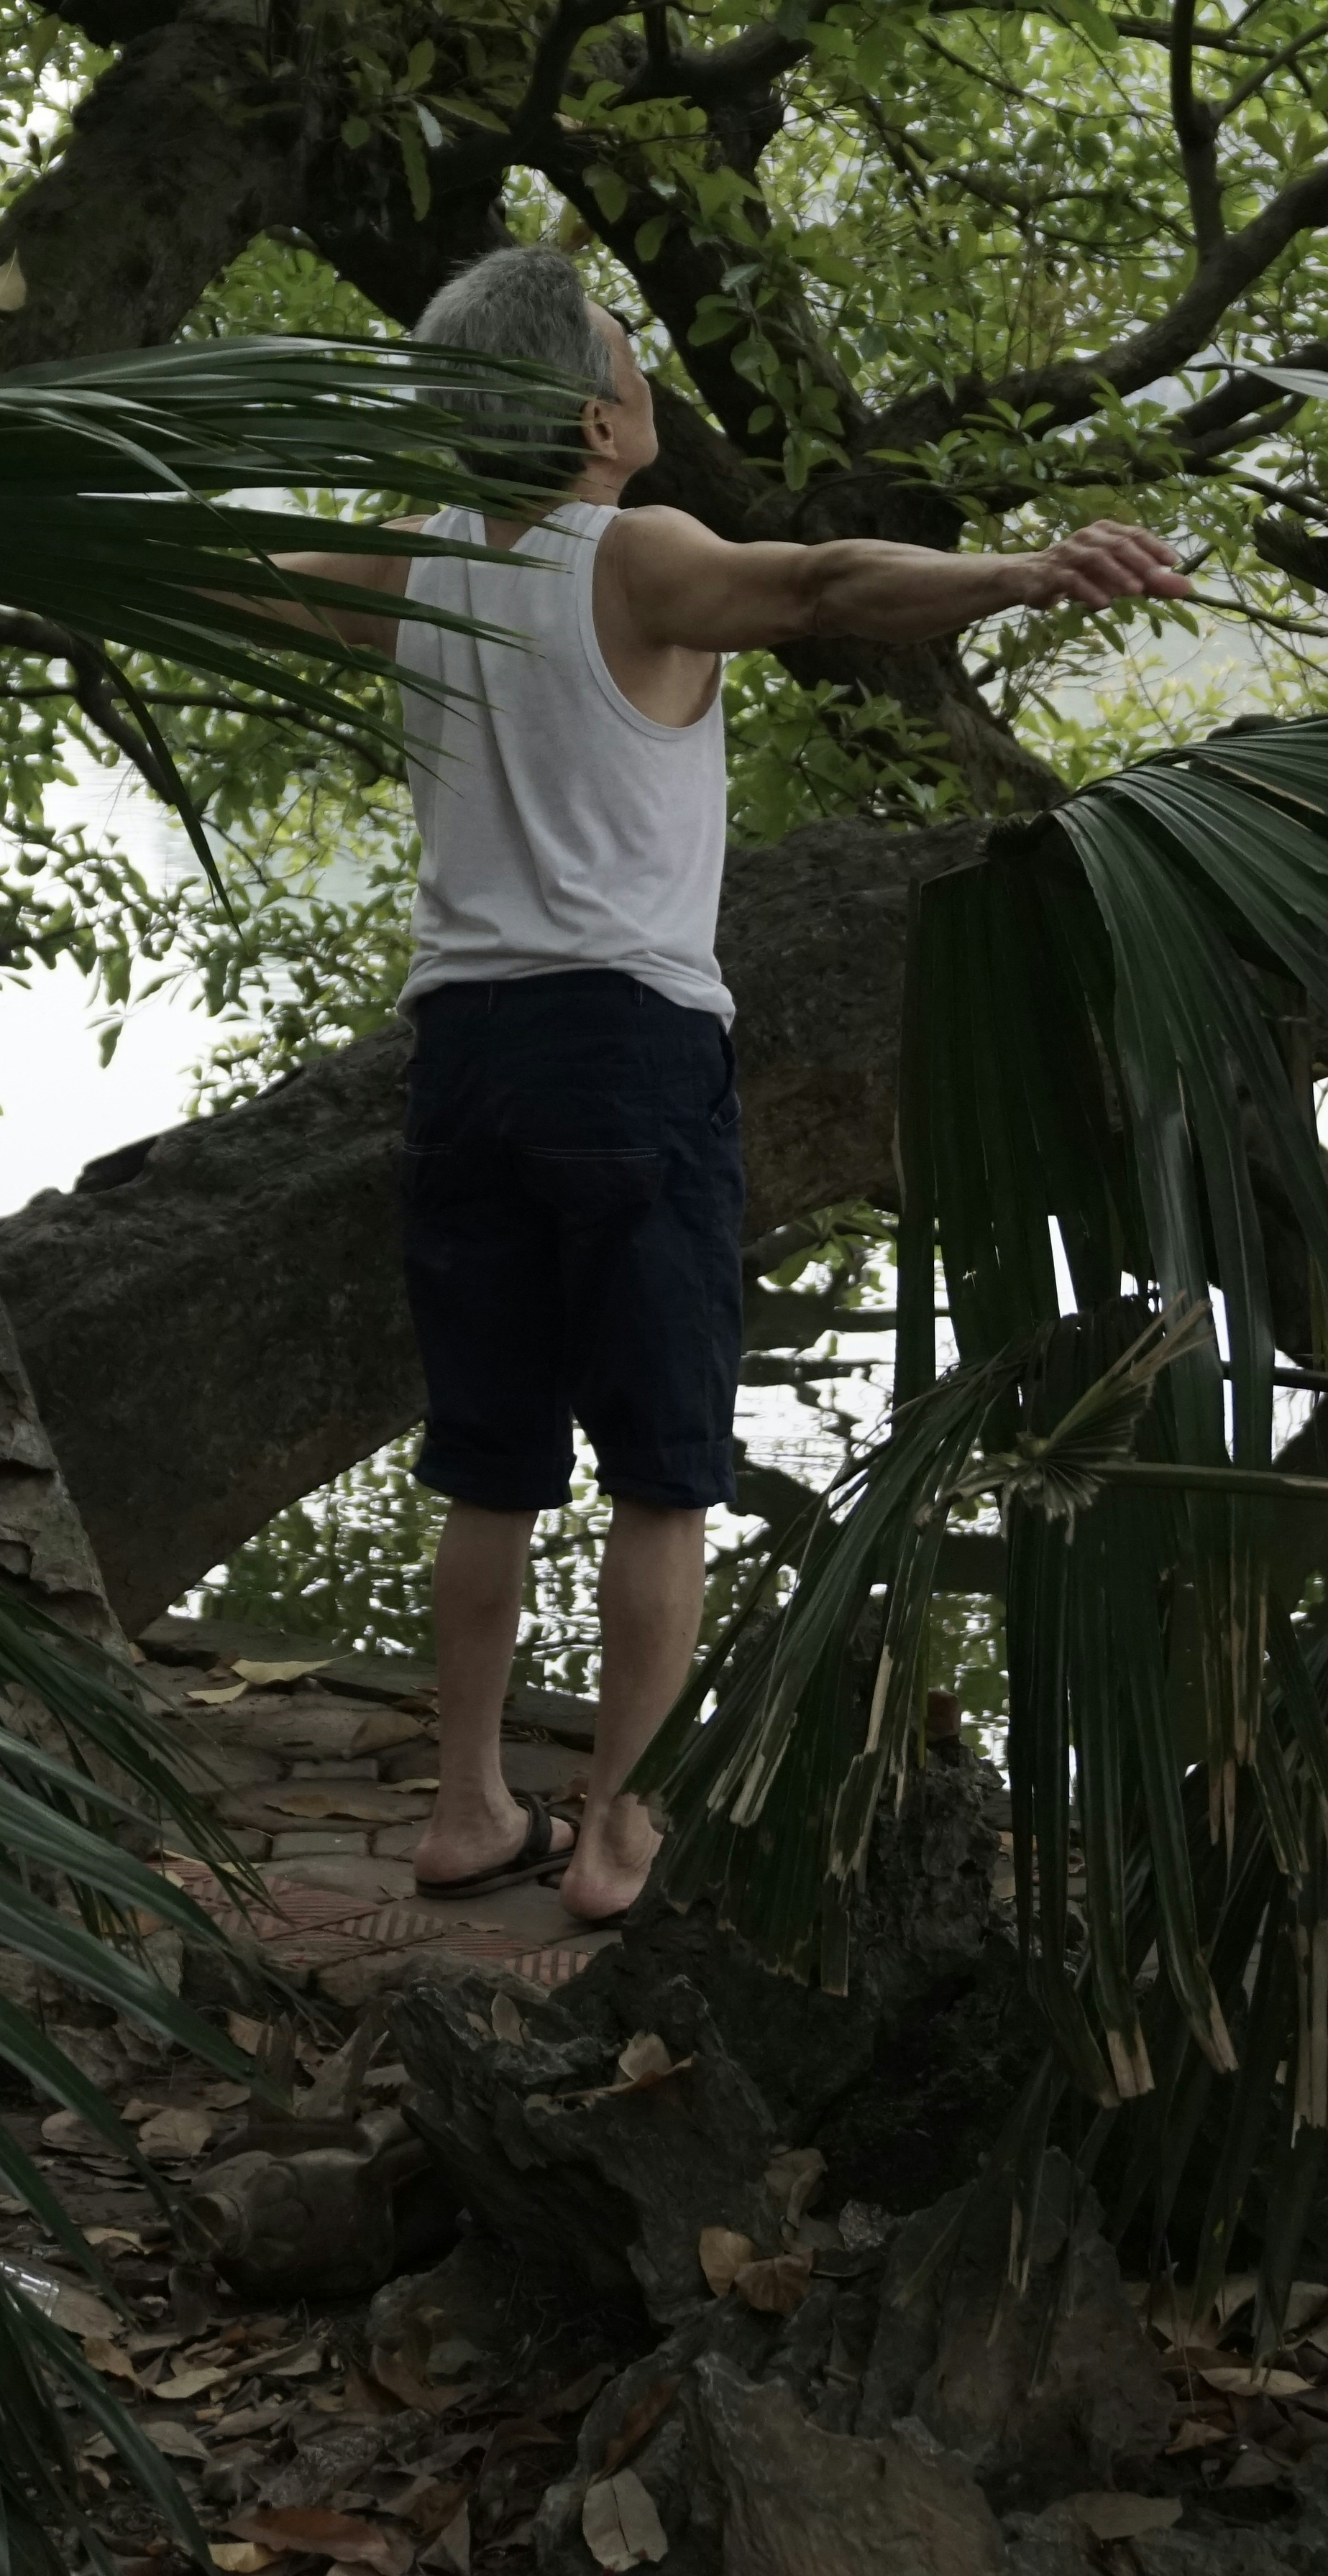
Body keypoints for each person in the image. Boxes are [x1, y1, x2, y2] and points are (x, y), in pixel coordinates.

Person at [271, 244, 1189, 1924]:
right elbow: (829, 584)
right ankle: (618, 1823)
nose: (646, 399)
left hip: (463, 1057)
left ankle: (470, 1805)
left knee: (488, 1461)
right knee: (662, 1468)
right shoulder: (633, 555)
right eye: (631, 370)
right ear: (595, 415)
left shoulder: (413, 571)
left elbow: (229, 568)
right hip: (627, 1051)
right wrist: (1028, 569)